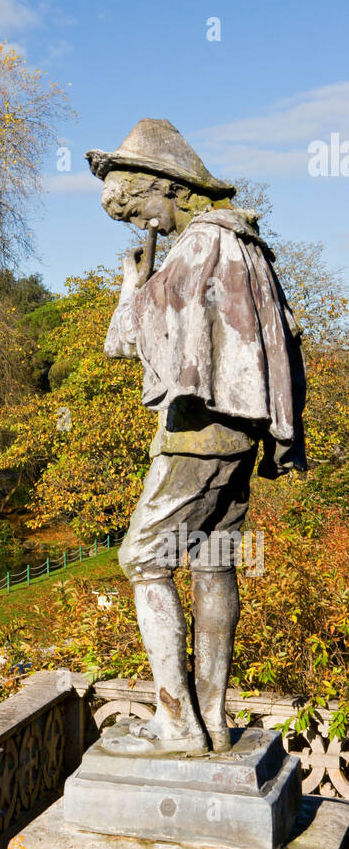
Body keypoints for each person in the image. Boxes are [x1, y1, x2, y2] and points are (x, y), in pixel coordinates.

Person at [85, 119, 306, 755]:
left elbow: (135, 345)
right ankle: (211, 721)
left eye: (141, 209)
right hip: (233, 432)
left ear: (169, 186)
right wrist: (138, 282)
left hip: (199, 434)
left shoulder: (206, 245)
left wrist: (139, 290)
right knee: (211, 561)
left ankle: (177, 723)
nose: (143, 226)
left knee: (142, 559)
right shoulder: (238, 241)